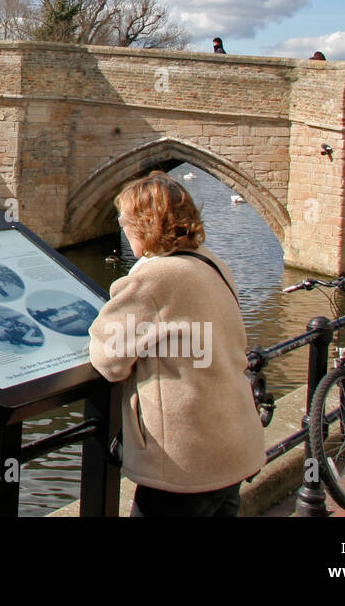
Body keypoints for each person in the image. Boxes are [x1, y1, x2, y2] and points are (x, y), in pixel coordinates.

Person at [89, 171, 265, 516]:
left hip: (185, 461)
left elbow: (109, 358)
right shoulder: (212, 263)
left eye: (126, 221)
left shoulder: (156, 278)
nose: (122, 227)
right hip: (232, 446)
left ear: (146, 226)